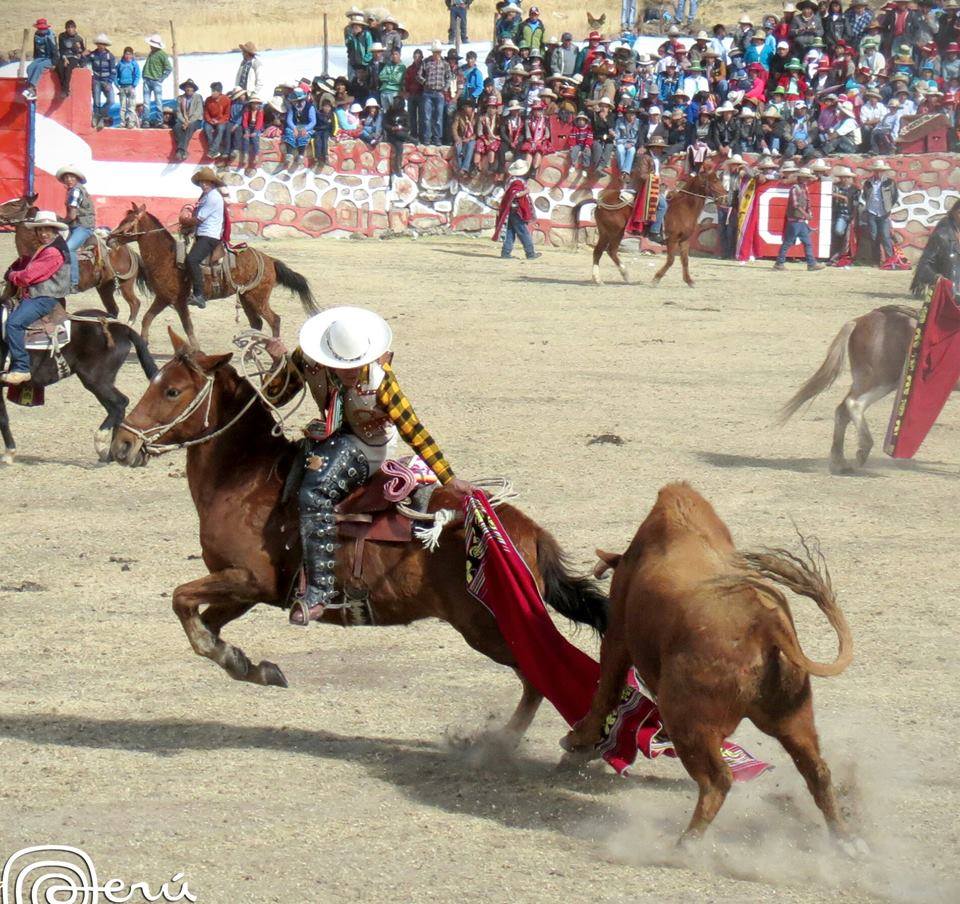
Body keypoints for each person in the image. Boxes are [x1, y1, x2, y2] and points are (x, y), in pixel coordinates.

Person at [261, 306, 468, 623]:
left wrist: (448, 477)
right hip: (327, 438)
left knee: (315, 494)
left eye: (358, 365)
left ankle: (319, 590)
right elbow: (275, 397)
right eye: (342, 366)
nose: (351, 372)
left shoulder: (382, 382)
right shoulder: (307, 358)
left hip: (369, 446)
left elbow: (413, 428)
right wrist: (278, 364)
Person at [1, 211, 71, 385]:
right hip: (34, 294)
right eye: (40, 230)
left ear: (55, 230)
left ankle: (22, 368)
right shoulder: (44, 247)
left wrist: (11, 275)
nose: (43, 234)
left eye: (47, 230)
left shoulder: (53, 252)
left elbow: (27, 277)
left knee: (14, 323)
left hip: (43, 297)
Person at [184, 167, 226, 309]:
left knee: (192, 259)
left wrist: (185, 222)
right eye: (201, 182)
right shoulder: (206, 196)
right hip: (202, 234)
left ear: (212, 182)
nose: (203, 184)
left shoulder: (213, 197)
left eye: (206, 182)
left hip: (209, 236)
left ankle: (199, 295)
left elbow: (199, 219)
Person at [773, 167, 825, 271]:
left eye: (807, 178)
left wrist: (808, 212)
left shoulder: (804, 188)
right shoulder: (795, 188)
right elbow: (796, 205)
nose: (806, 179)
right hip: (795, 221)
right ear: (800, 178)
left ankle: (811, 264)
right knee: (788, 242)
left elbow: (806, 202)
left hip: (800, 221)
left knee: (807, 243)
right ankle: (779, 263)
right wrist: (806, 214)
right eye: (804, 177)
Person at [55, 165, 95, 292]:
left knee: (69, 248)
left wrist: (61, 221)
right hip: (77, 225)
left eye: (71, 176)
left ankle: (73, 282)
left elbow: (72, 216)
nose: (68, 179)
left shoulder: (76, 191)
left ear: (76, 178)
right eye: (66, 177)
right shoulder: (75, 190)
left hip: (83, 226)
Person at [494, 159, 541, 260]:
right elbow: (516, 194)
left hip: (512, 210)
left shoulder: (512, 181)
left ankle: (506, 252)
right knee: (523, 231)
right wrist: (526, 191)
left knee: (510, 231)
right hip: (516, 210)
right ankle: (530, 253)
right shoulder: (517, 182)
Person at [860, 158, 898, 265]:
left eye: (880, 170)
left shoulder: (890, 182)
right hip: (872, 212)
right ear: (874, 171)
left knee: (885, 236)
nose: (878, 172)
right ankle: (876, 260)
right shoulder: (868, 183)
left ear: (883, 171)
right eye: (877, 170)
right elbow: (865, 196)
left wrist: (888, 207)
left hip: (884, 213)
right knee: (874, 236)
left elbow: (895, 196)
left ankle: (890, 259)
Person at [23, 18, 59, 101]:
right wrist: (35, 60)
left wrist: (54, 63)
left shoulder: (51, 35)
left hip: (50, 58)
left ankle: (32, 88)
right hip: (40, 57)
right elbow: (36, 48)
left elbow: (55, 50)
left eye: (43, 29)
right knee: (30, 67)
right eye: (40, 28)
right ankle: (29, 88)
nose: (42, 30)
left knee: (39, 67)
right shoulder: (36, 35)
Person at [420, 41, 448, 146]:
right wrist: (425, 82)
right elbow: (419, 75)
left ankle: (437, 138)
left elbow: (448, 77)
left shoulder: (445, 64)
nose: (437, 54)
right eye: (435, 52)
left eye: (438, 52)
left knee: (438, 118)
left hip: (439, 93)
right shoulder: (426, 62)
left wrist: (445, 88)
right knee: (427, 117)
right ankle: (427, 137)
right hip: (427, 92)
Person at [142, 35, 172, 127]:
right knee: (146, 102)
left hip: (155, 81)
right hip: (147, 79)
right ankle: (146, 121)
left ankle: (159, 120)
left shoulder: (162, 54)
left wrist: (161, 78)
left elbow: (168, 68)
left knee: (158, 102)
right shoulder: (151, 53)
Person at [283, 88, 317, 170]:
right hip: (295, 126)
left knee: (303, 135)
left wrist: (306, 128)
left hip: (306, 126)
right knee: (289, 132)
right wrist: (294, 128)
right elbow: (289, 120)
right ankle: (289, 154)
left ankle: (301, 155)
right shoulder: (292, 107)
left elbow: (313, 122)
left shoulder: (310, 107)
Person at [89, 34, 116, 129]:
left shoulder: (110, 56)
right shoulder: (92, 55)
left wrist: (109, 82)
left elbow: (113, 71)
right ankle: (98, 120)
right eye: (99, 44)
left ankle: (99, 116)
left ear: (105, 45)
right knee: (96, 102)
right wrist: (84, 55)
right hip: (96, 80)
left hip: (106, 81)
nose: (101, 46)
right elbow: (85, 62)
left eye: (103, 44)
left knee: (111, 101)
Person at [173, 79, 203, 161]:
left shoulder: (198, 97)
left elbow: (198, 112)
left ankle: (180, 150)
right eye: (187, 87)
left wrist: (188, 122)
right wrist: (184, 121)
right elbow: (178, 112)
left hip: (195, 120)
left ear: (193, 89)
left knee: (190, 126)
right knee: (176, 127)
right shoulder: (180, 98)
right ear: (184, 89)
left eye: (190, 87)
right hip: (183, 120)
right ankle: (184, 151)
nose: (189, 89)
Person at [55, 20, 86, 99]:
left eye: (72, 27)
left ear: (75, 28)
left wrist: (80, 52)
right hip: (64, 56)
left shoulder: (79, 38)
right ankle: (64, 88)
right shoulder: (62, 36)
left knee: (68, 68)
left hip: (74, 57)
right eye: (68, 27)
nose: (70, 29)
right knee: (59, 67)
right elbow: (61, 49)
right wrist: (64, 58)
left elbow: (82, 51)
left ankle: (65, 90)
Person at [202, 82, 231, 159]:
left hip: (221, 120)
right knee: (207, 128)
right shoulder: (208, 100)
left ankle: (212, 150)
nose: (213, 92)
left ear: (220, 92)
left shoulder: (226, 100)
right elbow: (206, 112)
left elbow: (227, 114)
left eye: (215, 91)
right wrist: (210, 120)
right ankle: (214, 150)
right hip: (210, 120)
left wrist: (219, 121)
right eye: (212, 90)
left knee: (220, 128)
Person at [115, 46, 141, 129]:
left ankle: (131, 122)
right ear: (124, 54)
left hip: (131, 86)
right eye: (126, 54)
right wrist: (117, 85)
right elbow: (115, 75)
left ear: (132, 55)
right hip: (122, 87)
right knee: (122, 106)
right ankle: (122, 122)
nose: (128, 56)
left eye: (130, 54)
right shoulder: (120, 63)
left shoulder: (134, 64)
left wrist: (134, 85)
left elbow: (137, 74)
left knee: (131, 106)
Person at [240, 94, 264, 175]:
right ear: (251, 104)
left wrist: (255, 131)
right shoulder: (247, 110)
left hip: (256, 128)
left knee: (255, 138)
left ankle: (256, 155)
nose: (255, 105)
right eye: (254, 103)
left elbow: (259, 122)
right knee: (245, 138)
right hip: (248, 127)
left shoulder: (260, 111)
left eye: (257, 103)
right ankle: (245, 155)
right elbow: (245, 121)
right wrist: (246, 130)